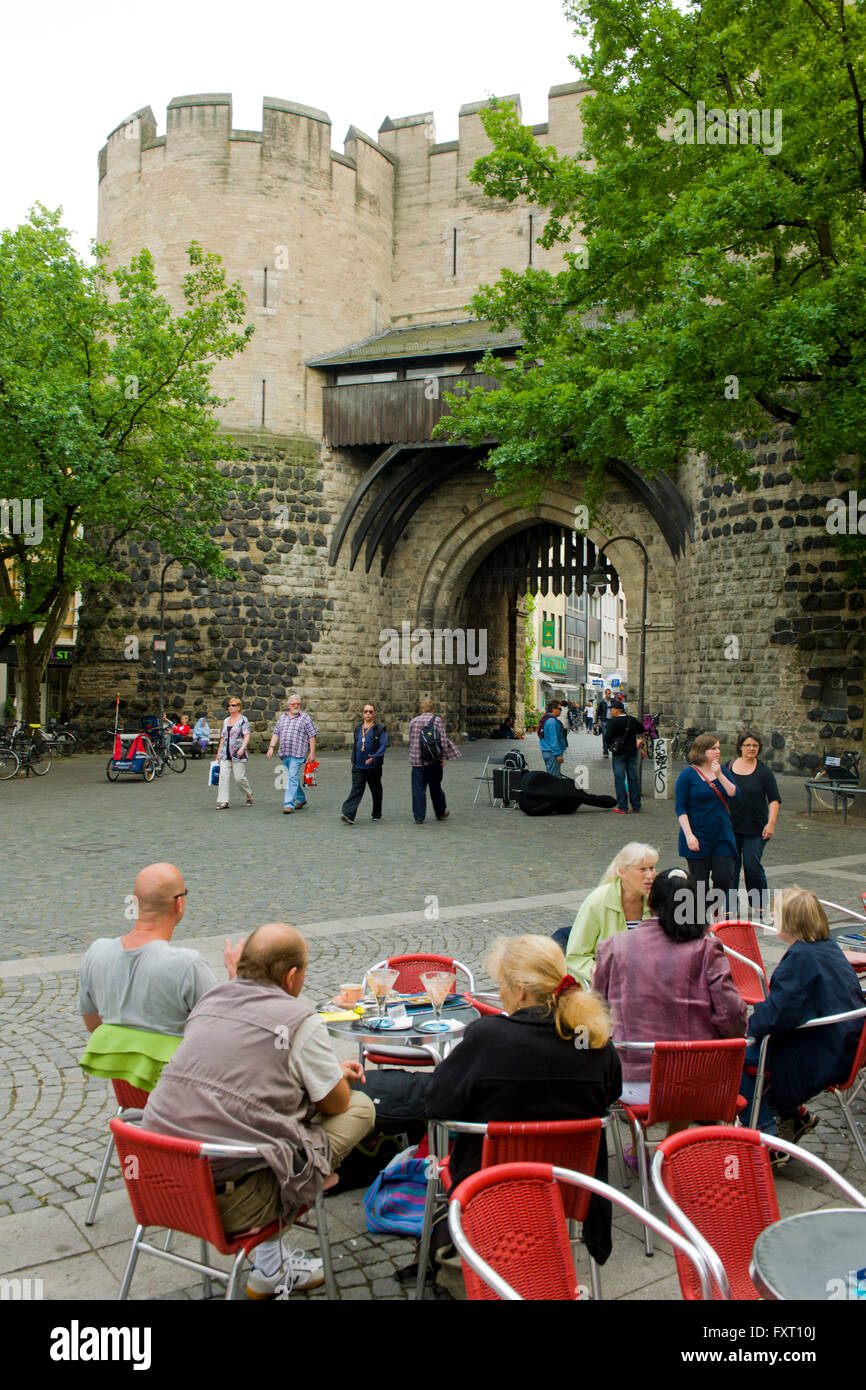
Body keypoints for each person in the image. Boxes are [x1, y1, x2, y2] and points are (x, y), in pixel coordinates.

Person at [142, 922, 376, 1298]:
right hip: (231, 1203)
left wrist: (323, 1075)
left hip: (160, 1182)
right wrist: (334, 1080)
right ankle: (306, 1190)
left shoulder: (210, 1001)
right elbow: (337, 1103)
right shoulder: (300, 1019)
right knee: (361, 1108)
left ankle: (270, 1264)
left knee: (262, 1119)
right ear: (292, 976)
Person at [425, 935, 622, 1293]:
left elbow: (438, 1104)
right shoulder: (593, 1039)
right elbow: (612, 1096)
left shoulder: (488, 1038)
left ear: (519, 990)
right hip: (570, 1187)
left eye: (500, 983)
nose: (498, 993)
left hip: (488, 1186)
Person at [78, 862, 241, 1089]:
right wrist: (236, 976)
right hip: (182, 1099)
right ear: (179, 903)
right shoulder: (187, 964)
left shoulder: (96, 952)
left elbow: (94, 1024)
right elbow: (226, 1032)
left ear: (134, 903)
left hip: (131, 1105)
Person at [593, 869, 747, 1101]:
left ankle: (660, 1136)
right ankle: (679, 1134)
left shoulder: (614, 945)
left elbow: (597, 1009)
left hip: (633, 1079)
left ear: (651, 902)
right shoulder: (706, 948)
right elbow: (731, 1013)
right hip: (696, 1077)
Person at [738, 887, 864, 1162]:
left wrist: (745, 1028)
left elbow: (775, 1016)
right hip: (843, 1045)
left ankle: (767, 1136)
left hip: (819, 1055)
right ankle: (794, 1116)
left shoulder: (801, 959)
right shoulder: (828, 947)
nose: (771, 915)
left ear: (792, 922)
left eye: (777, 912)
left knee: (731, 1057)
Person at [565, 843, 658, 987]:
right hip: (603, 989)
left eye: (652, 868)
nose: (650, 875)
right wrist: (604, 975)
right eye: (642, 869)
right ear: (622, 872)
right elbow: (576, 956)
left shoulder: (656, 901)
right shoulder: (597, 901)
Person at [675, 733, 740, 913]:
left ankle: (708, 908)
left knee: (725, 876)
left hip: (721, 834)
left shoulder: (723, 771)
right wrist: (689, 835)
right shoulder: (688, 775)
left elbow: (735, 794)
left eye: (719, 748)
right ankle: (700, 920)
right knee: (699, 883)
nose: (718, 751)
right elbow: (681, 808)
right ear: (702, 751)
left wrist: (719, 775)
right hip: (697, 833)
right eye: (714, 748)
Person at [725, 731, 781, 918]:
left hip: (756, 828)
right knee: (731, 866)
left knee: (752, 864)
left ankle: (760, 904)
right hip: (731, 826)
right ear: (740, 746)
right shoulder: (729, 767)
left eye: (755, 746)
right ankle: (728, 905)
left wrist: (771, 823)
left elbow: (774, 799)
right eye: (748, 745)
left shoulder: (764, 771)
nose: (751, 749)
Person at [408, 698, 460, 824]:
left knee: (418, 790)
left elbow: (411, 739)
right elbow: (442, 740)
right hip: (433, 760)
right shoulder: (437, 720)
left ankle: (419, 817)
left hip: (416, 760)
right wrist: (443, 758)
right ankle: (440, 812)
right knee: (435, 787)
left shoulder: (413, 721)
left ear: (421, 709)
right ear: (432, 709)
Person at [266, 692, 318, 815]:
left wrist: (312, 753)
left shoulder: (305, 718)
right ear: (288, 705)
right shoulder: (282, 718)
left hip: (298, 753)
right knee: (291, 776)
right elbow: (276, 733)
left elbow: (312, 736)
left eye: (298, 704)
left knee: (291, 776)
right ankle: (301, 798)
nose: (296, 706)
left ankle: (288, 804)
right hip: (285, 753)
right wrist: (271, 747)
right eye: (293, 704)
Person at [340, 701, 387, 824]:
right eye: (366, 711)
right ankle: (348, 813)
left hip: (373, 766)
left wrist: (375, 757)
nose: (368, 713)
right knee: (356, 789)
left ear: (374, 714)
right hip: (358, 765)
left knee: (376, 789)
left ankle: (377, 813)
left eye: (370, 711)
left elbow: (383, 746)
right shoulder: (357, 728)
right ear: (363, 713)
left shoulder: (379, 729)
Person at [606, 700, 646, 814]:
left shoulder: (613, 722)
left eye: (611, 710)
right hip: (631, 753)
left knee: (619, 779)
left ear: (616, 710)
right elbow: (641, 729)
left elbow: (607, 737)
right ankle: (636, 805)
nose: (610, 712)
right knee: (633, 778)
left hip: (618, 754)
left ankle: (622, 806)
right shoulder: (631, 720)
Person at [215, 696, 253, 810]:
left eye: (233, 705)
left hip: (238, 752)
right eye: (229, 705)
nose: (230, 707)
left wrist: (242, 748)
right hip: (225, 753)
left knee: (239, 777)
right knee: (223, 776)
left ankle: (249, 793)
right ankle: (224, 801)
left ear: (239, 707)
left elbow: (247, 735)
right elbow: (223, 737)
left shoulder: (243, 720)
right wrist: (218, 752)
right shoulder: (226, 721)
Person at [537, 699, 568, 777]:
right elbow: (554, 740)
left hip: (546, 751)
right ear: (553, 709)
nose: (561, 711)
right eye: (559, 708)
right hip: (552, 753)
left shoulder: (545, 718)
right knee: (554, 778)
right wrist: (558, 754)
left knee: (551, 776)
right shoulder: (552, 721)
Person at [596, 688, 612, 756]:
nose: (609, 695)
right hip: (604, 720)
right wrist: (596, 722)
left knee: (611, 735)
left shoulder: (613, 701)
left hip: (611, 721)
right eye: (608, 693)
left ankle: (608, 747)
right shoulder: (602, 702)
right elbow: (598, 712)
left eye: (610, 693)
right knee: (605, 736)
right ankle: (606, 751)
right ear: (605, 694)